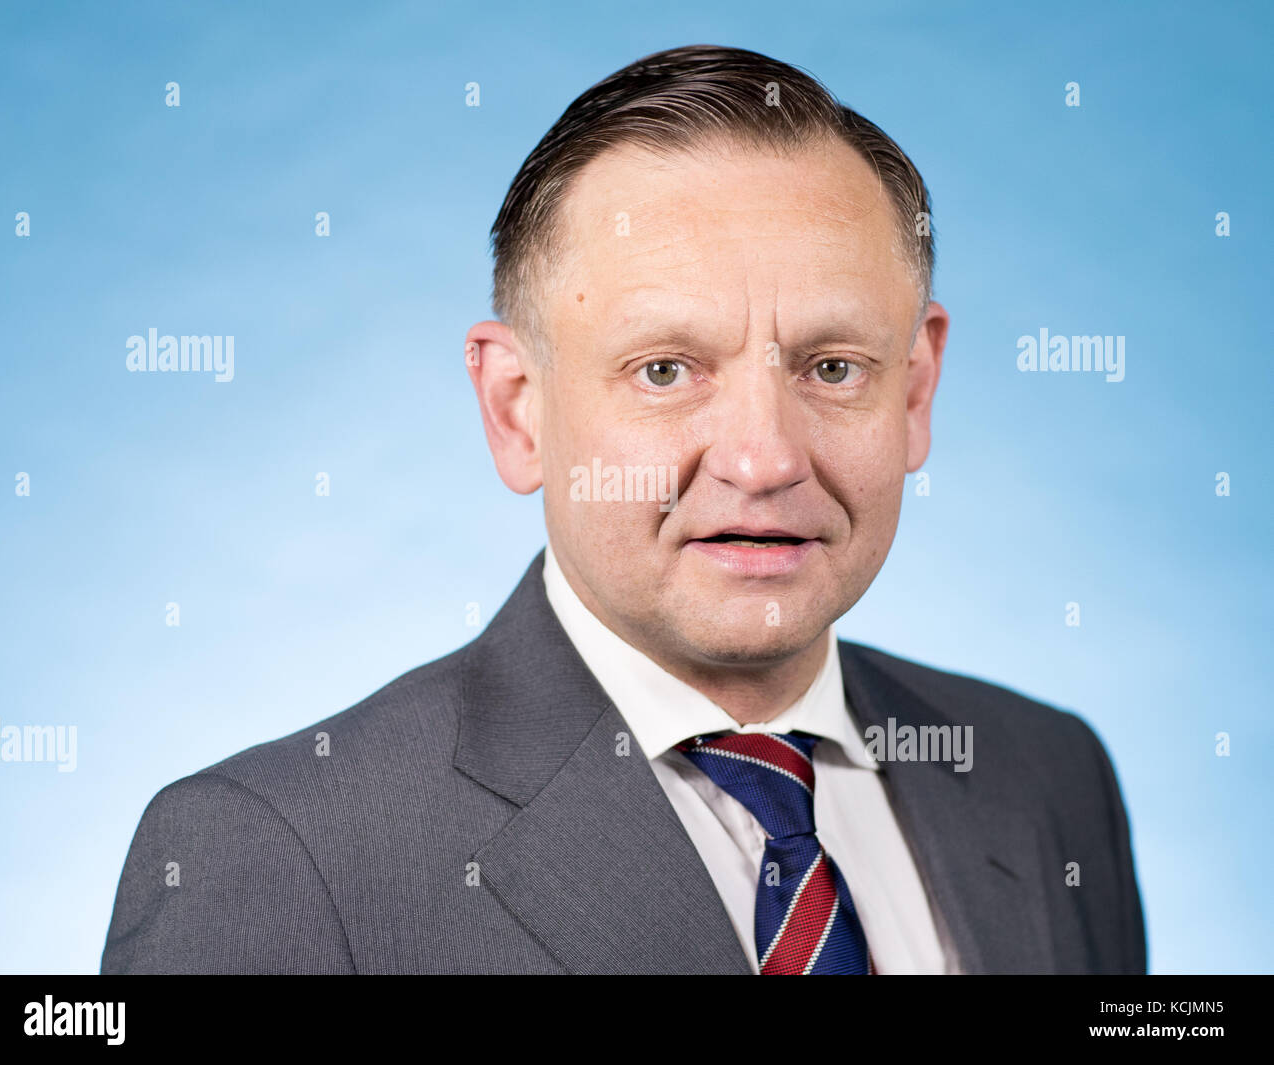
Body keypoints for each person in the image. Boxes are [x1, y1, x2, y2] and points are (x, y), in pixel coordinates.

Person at [101, 44, 1147, 975]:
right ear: (517, 410)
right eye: (663, 370)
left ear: (914, 393)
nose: (763, 456)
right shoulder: (276, 857)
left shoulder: (1043, 774)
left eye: (833, 367)